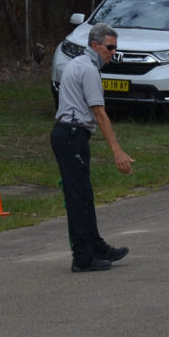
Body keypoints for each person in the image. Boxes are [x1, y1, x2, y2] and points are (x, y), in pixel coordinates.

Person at [51, 22, 134, 272]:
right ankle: (82, 257)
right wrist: (117, 151)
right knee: (77, 197)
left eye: (115, 48)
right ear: (95, 45)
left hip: (74, 134)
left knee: (85, 194)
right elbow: (99, 113)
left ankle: (95, 245)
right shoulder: (87, 69)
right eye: (109, 47)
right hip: (71, 134)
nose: (112, 52)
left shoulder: (81, 65)